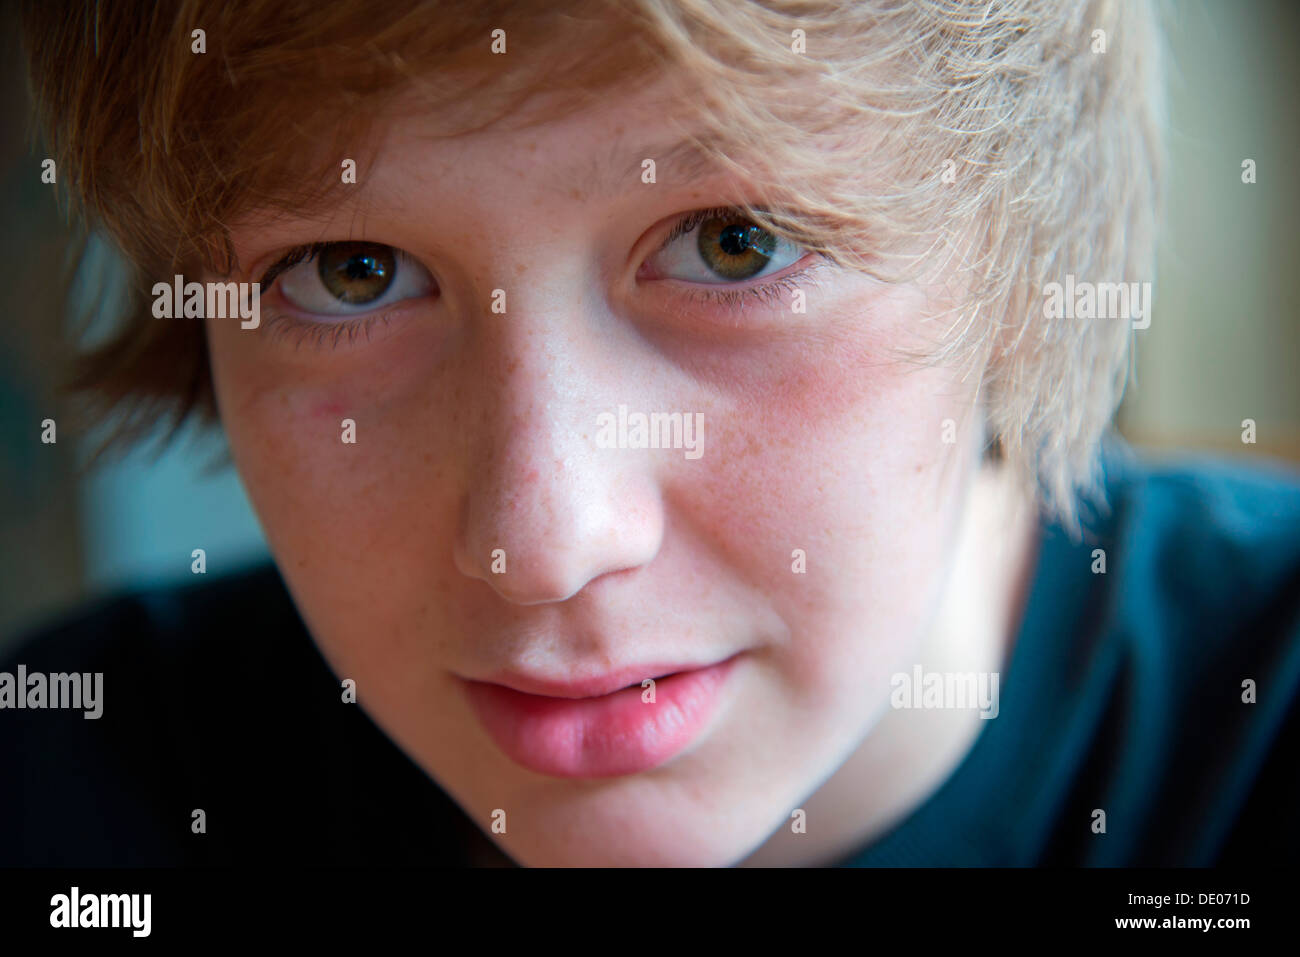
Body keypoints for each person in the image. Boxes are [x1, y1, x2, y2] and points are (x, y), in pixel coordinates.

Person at [3, 0, 1296, 868]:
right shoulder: (75, 785)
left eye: (736, 245)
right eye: (349, 271)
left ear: (1021, 266)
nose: (540, 543)